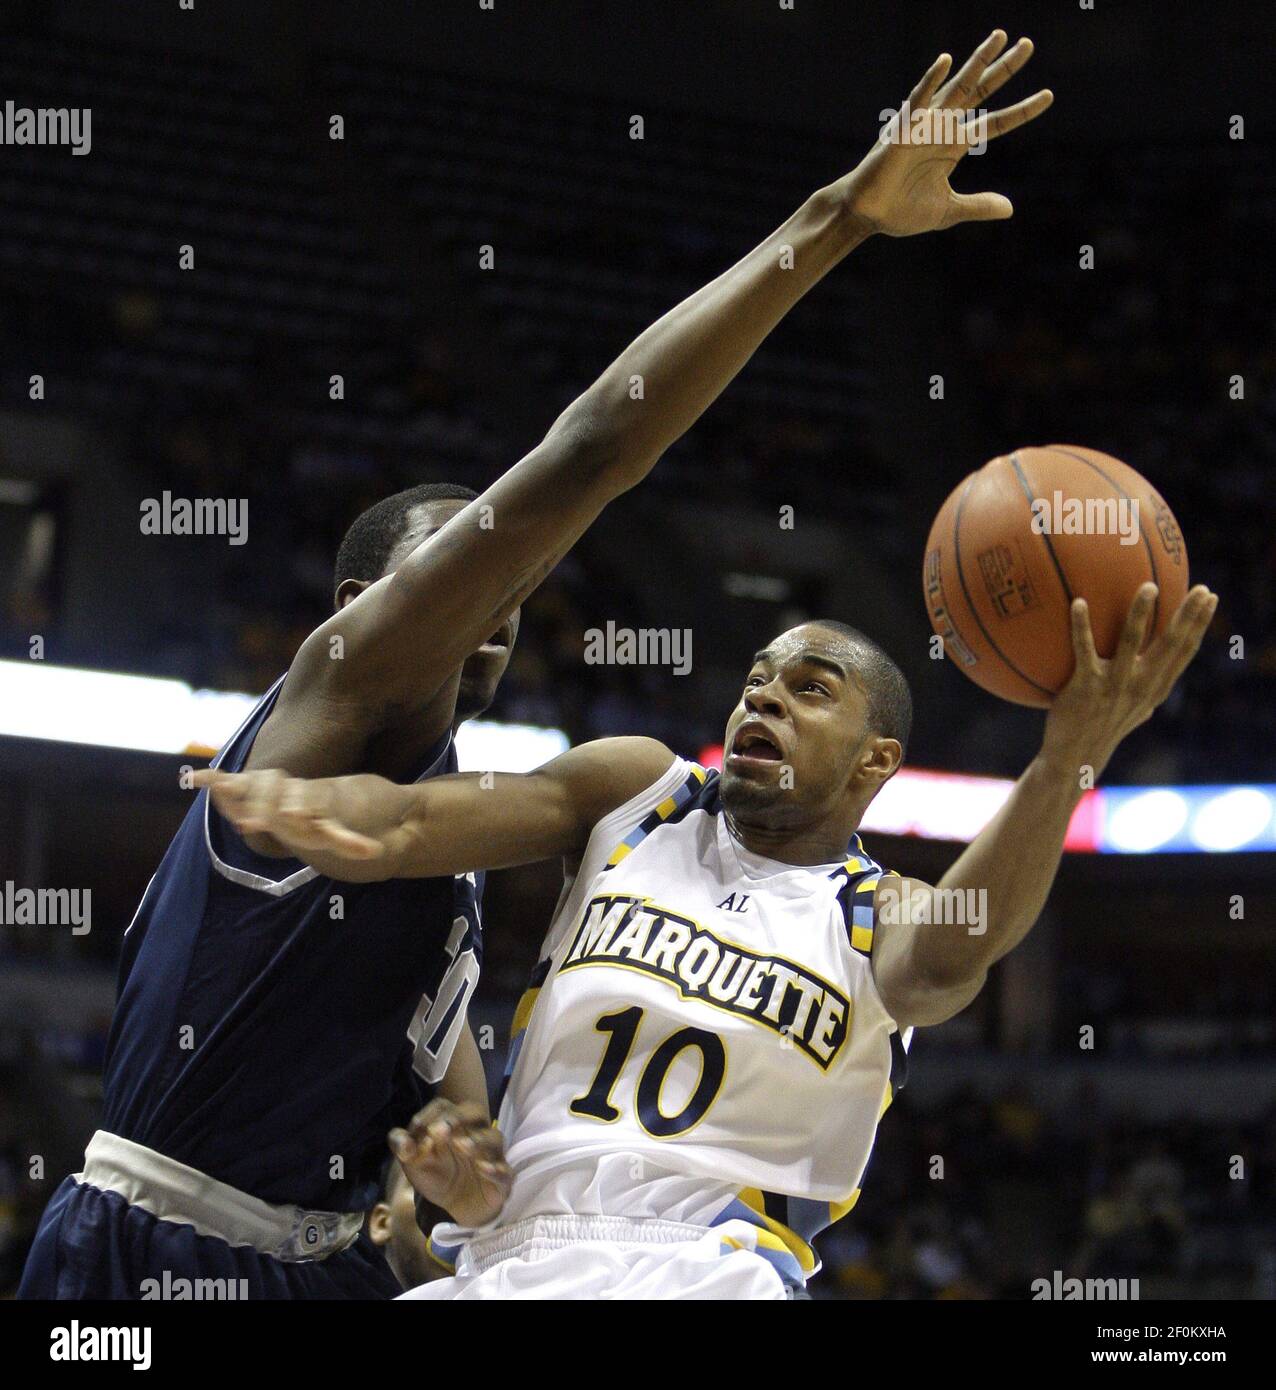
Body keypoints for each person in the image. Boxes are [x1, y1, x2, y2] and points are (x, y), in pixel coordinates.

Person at [21, 26, 1051, 1299]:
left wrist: (453, 1193)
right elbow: (591, 453)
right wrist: (835, 218)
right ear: (362, 605)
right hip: (152, 1244)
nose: (499, 598)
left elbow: (457, 1153)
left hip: (337, 1266)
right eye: (462, 573)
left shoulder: (460, 843)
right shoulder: (343, 687)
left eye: (510, 583)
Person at [194, 578, 1219, 1298]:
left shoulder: (881, 910)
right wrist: (311, 804)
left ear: (875, 761)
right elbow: (417, 820)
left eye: (809, 688)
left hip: (707, 1271)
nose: (763, 695)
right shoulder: (636, 795)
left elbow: (956, 955)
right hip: (506, 1259)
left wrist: (1064, 761)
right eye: (757, 680)